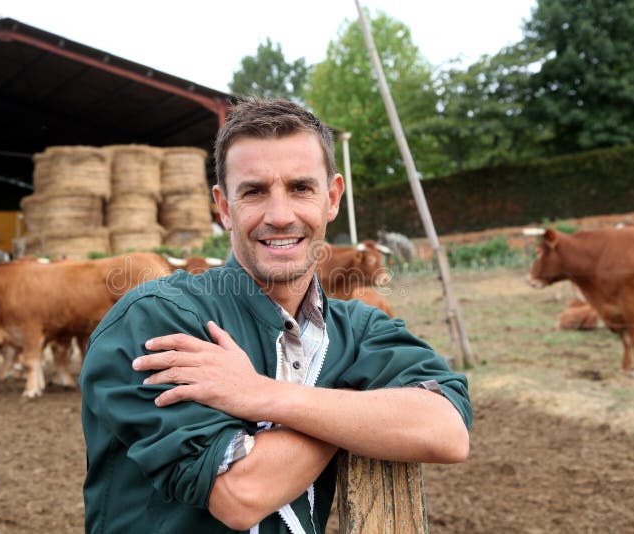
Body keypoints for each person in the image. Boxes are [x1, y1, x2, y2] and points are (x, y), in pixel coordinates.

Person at [79, 98, 472, 533]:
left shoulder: (361, 329)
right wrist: (356, 412)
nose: (280, 216)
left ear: (332, 198)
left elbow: (447, 431)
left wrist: (263, 394)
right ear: (224, 207)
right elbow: (241, 494)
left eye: (301, 188)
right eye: (254, 191)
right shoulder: (158, 319)